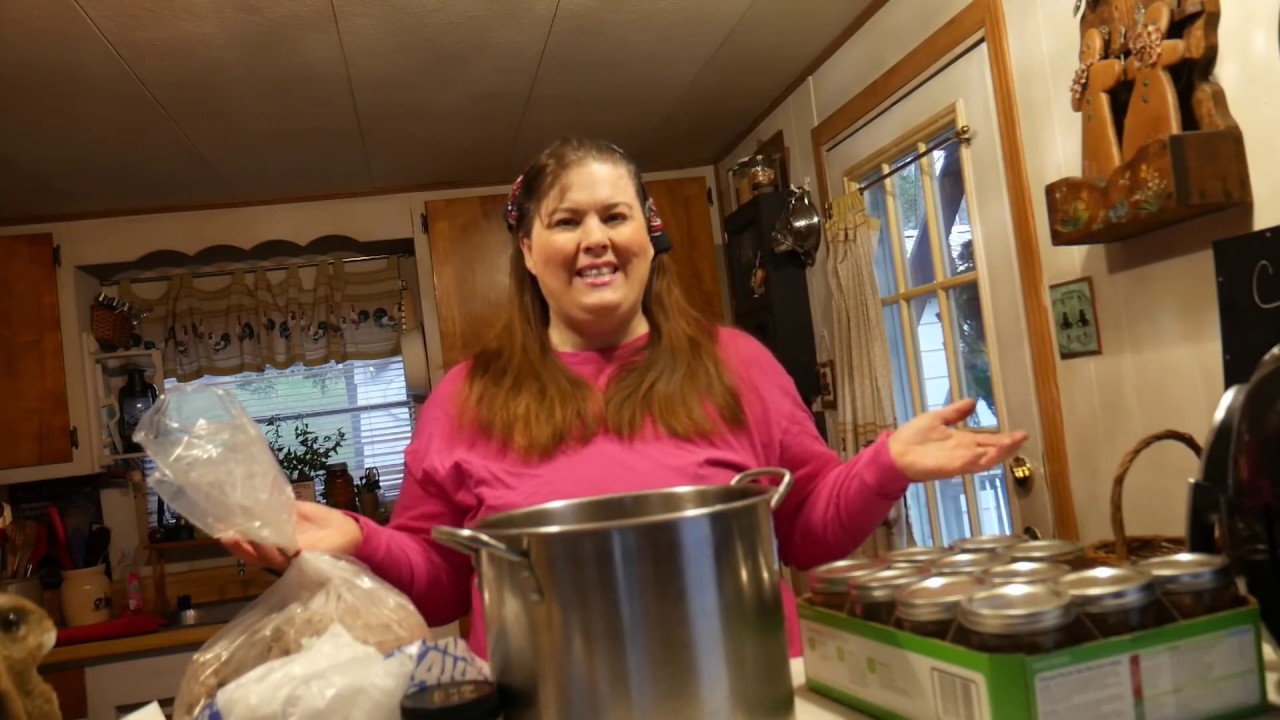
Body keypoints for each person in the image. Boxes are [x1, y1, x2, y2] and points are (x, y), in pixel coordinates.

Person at [227, 137, 1027, 657]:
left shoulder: (736, 364)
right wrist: (359, 538)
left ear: (649, 236)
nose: (595, 238)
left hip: (741, 700)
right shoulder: (467, 400)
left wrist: (884, 464)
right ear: (530, 252)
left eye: (615, 215)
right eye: (566, 221)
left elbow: (805, 530)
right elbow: (440, 581)